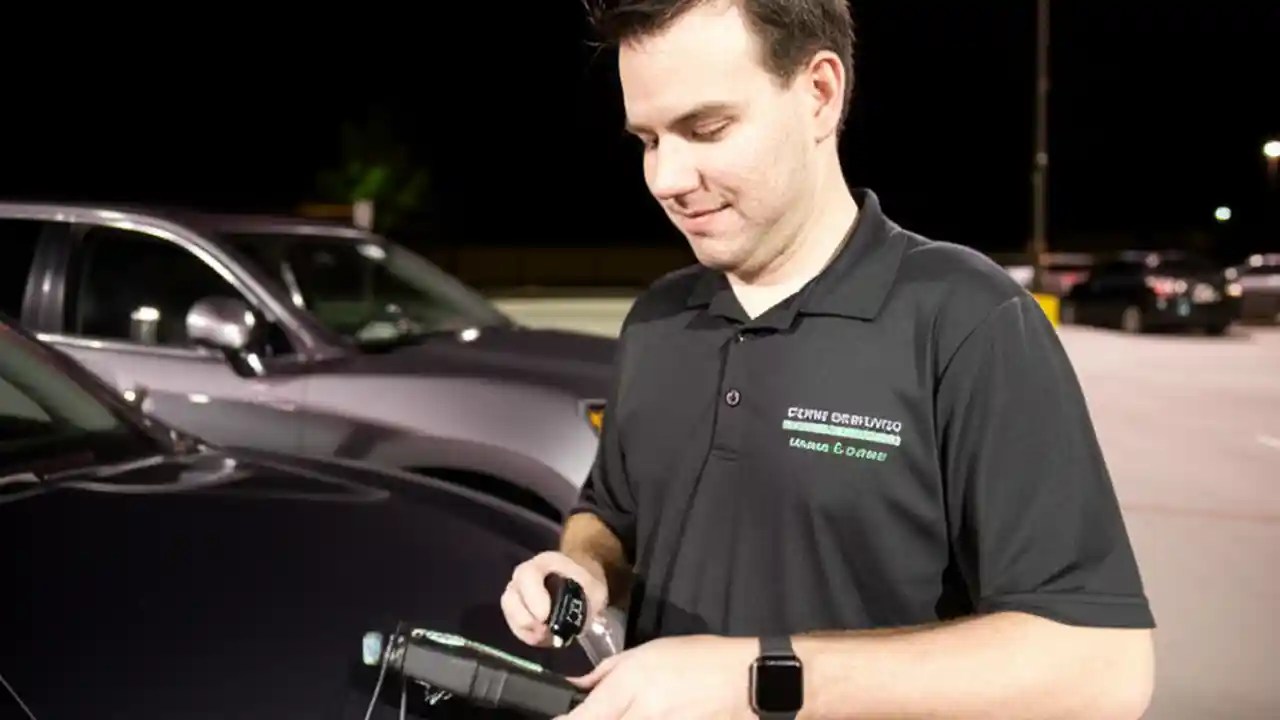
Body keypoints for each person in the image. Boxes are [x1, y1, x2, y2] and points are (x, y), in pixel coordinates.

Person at [499, 1, 1157, 718]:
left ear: (819, 93)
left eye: (706, 128)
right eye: (648, 139)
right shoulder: (659, 319)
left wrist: (753, 679)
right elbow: (611, 513)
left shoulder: (965, 318)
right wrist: (584, 569)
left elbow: (1101, 664)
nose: (665, 177)